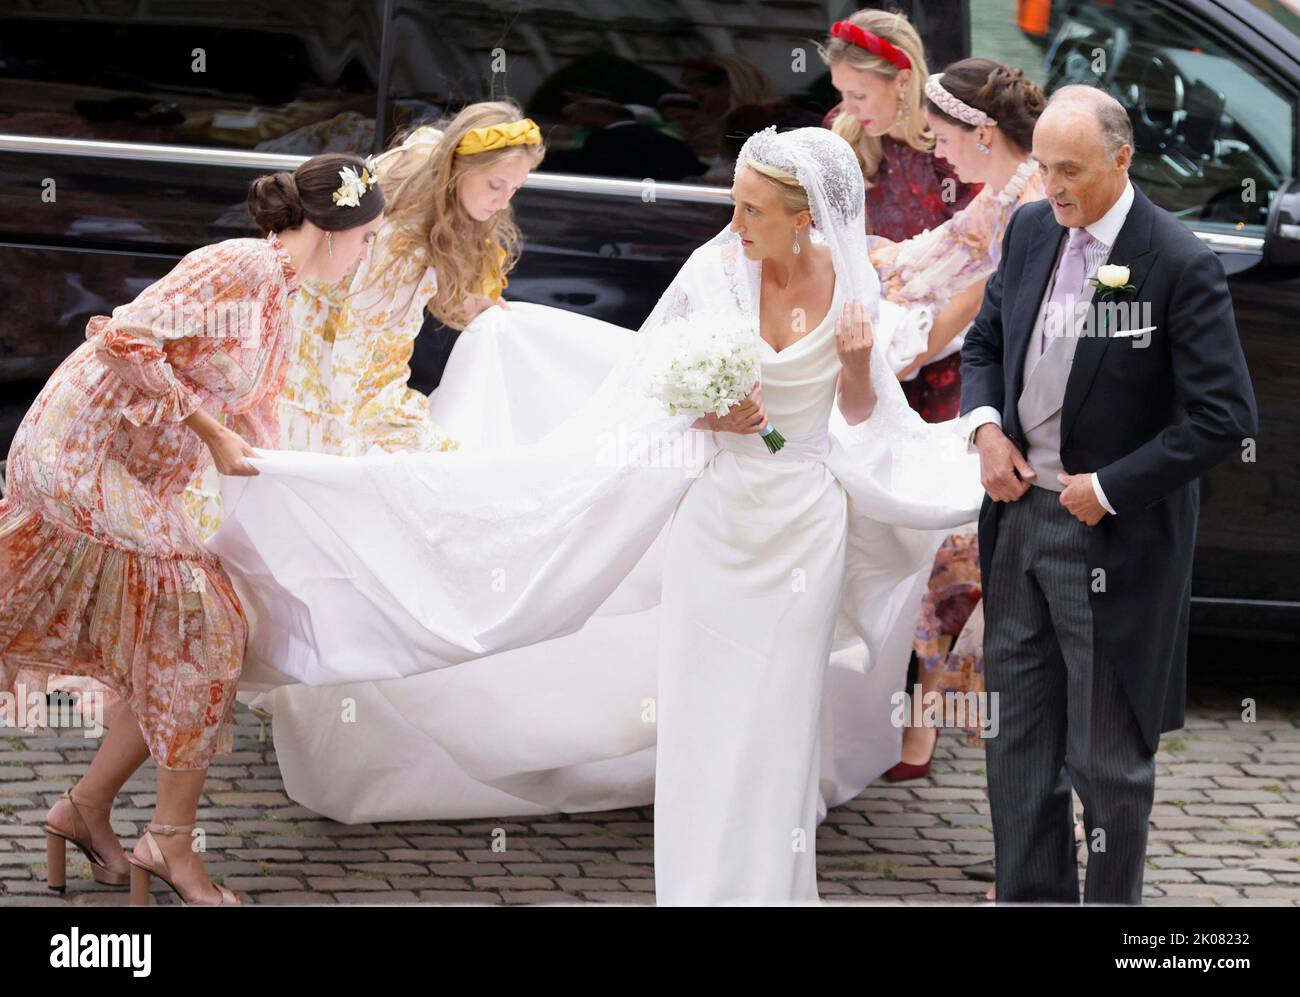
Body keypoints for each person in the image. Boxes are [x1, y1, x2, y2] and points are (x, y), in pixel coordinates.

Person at [209, 126, 985, 903]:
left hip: (803, 532)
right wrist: (709, 417)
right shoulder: (714, 271)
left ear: (805, 217)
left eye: (753, 210)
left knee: (780, 717)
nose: (736, 223)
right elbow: (650, 394)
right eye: (736, 205)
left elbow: (862, 415)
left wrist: (855, 360)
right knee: (700, 713)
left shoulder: (855, 290)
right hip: (717, 525)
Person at [0, 152, 384, 904]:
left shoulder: (283, 292)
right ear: (335, 228)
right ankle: (168, 843)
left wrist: (314, 480)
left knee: (183, 637)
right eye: (369, 238)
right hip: (83, 446)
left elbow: (256, 407)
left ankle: (84, 810)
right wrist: (209, 432)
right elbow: (124, 337)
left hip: (135, 465)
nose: (370, 254)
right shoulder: (240, 264)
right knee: (207, 626)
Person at [961, 85, 1257, 903]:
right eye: (1044, 168)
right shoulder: (1028, 230)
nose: (1051, 187)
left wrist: (1112, 486)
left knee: (1105, 762)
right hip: (1017, 523)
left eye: (1070, 171)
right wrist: (985, 428)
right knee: (1015, 746)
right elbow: (986, 340)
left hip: (1111, 545)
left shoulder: (1179, 262)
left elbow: (1224, 417)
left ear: (1122, 161)